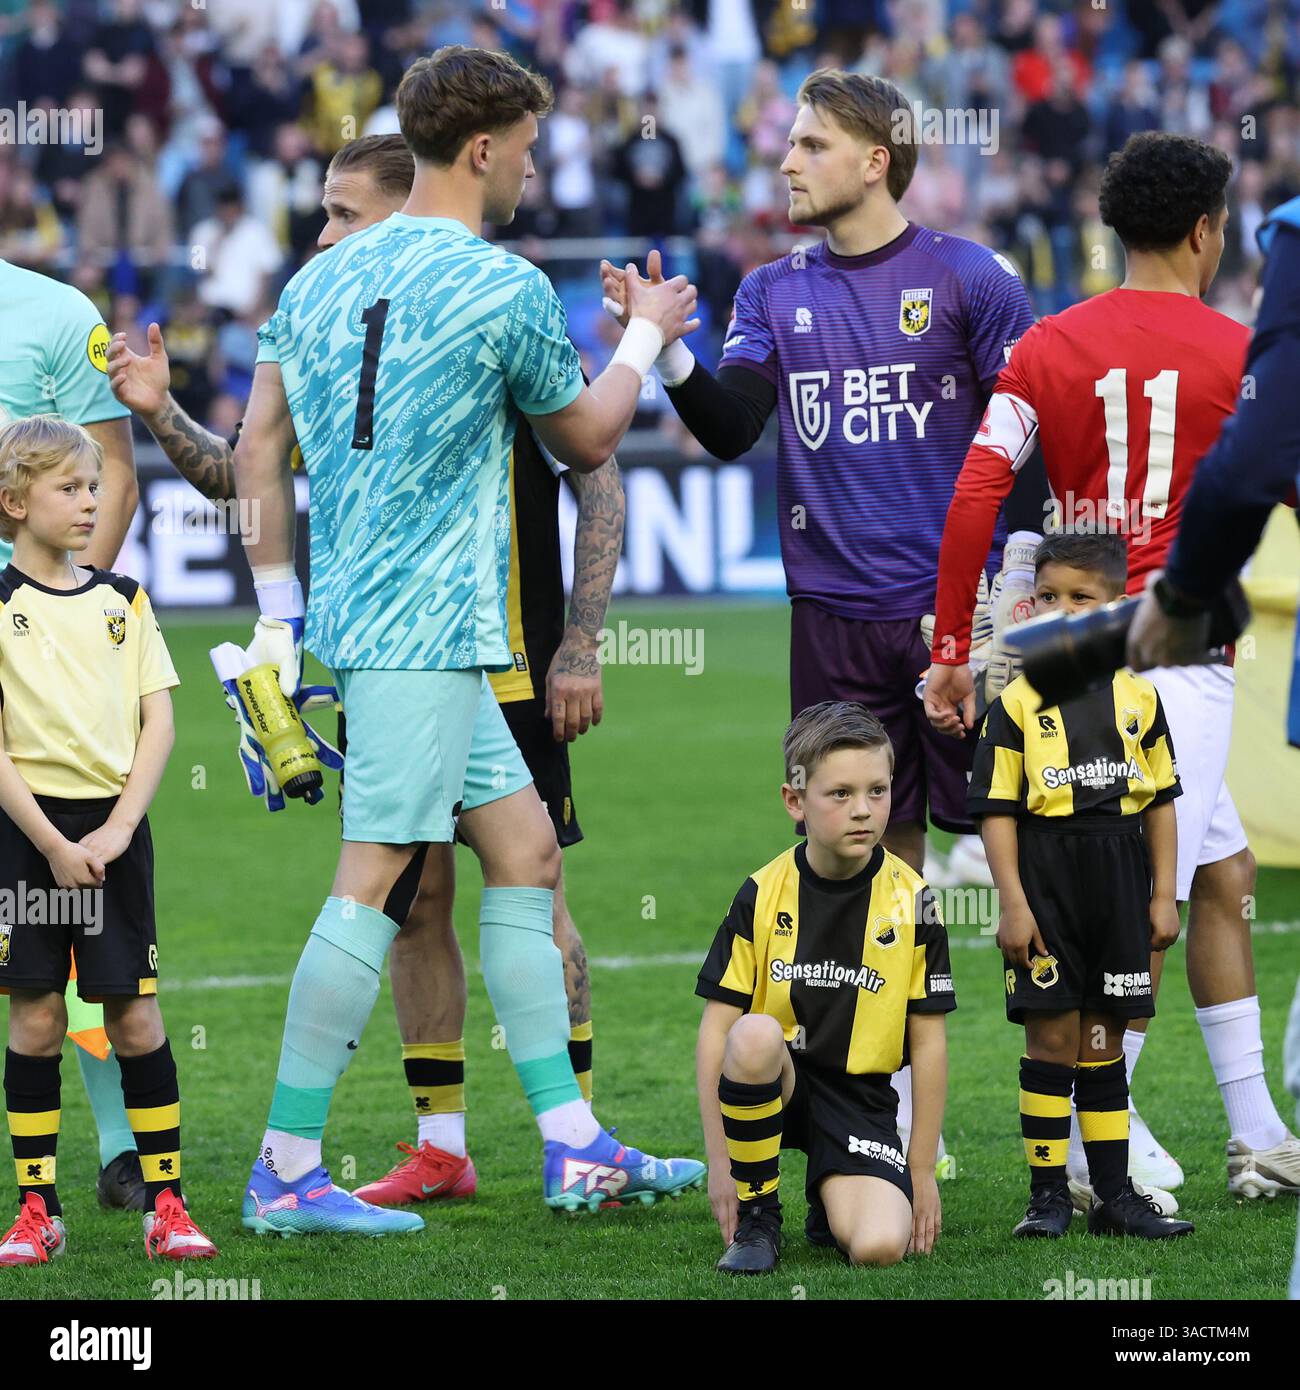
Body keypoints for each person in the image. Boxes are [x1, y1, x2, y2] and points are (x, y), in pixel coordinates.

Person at [106, 133, 700, 1208]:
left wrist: (283, 619)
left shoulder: (327, 294)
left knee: (525, 858)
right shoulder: (475, 288)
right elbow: (595, 438)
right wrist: (646, 340)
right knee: (378, 886)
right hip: (422, 634)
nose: (324, 230)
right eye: (523, 146)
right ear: (484, 151)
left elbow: (258, 454)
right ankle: (286, 1168)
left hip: (448, 638)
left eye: (342, 209)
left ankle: (571, 1139)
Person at [604, 67, 1038, 1158]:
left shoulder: (969, 279)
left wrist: (1011, 594)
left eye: (806, 145)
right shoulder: (769, 292)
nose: (786, 163)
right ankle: (881, 1117)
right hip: (834, 617)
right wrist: (662, 347)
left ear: (873, 159)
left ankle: (1086, 1132)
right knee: (861, 869)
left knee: (1031, 862)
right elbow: (732, 425)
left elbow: (1026, 438)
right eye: (787, 145)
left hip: (960, 625)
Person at [928, 132, 1300, 1201]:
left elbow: (972, 499)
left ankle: (1259, 1134)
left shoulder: (1045, 345)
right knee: (1142, 910)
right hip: (1178, 653)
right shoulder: (1240, 354)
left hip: (1068, 644)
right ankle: (1101, 1153)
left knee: (1220, 879)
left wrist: (955, 649)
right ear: (1205, 230)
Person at [0, 415, 216, 1265]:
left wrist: (122, 824)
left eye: (94, 487)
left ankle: (166, 1200)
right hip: (27, 833)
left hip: (114, 832)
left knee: (132, 1011)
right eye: (70, 488)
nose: (91, 502)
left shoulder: (123, 600)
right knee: (38, 1013)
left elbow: (158, 716)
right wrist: (52, 842)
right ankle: (36, 1209)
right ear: (15, 503)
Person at [969, 531, 1193, 1240]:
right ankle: (1046, 1197)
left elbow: (1160, 800)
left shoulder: (1139, 698)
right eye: (1049, 597)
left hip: (1119, 883)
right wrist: (1012, 903)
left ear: (1115, 608)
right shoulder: (1016, 703)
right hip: (1047, 884)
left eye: (1081, 599)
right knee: (1051, 1039)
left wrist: (1162, 894)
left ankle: (1115, 1194)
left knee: (1103, 1040)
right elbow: (998, 812)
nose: (1062, 610)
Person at [696, 702, 954, 1275]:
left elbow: (930, 1044)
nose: (862, 810)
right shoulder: (762, 892)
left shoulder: (916, 901)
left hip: (859, 1101)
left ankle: (828, 1196)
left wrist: (921, 1171)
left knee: (880, 1247)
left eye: (877, 790)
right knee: (755, 1033)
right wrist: (720, 1163)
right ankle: (759, 1216)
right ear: (795, 801)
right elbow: (716, 1034)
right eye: (840, 794)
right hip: (776, 1080)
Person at [0, 255, 146, 1212]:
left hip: (27, 669)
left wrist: (64, 622)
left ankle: (118, 1145)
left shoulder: (54, 312)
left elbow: (115, 471)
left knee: (66, 914)